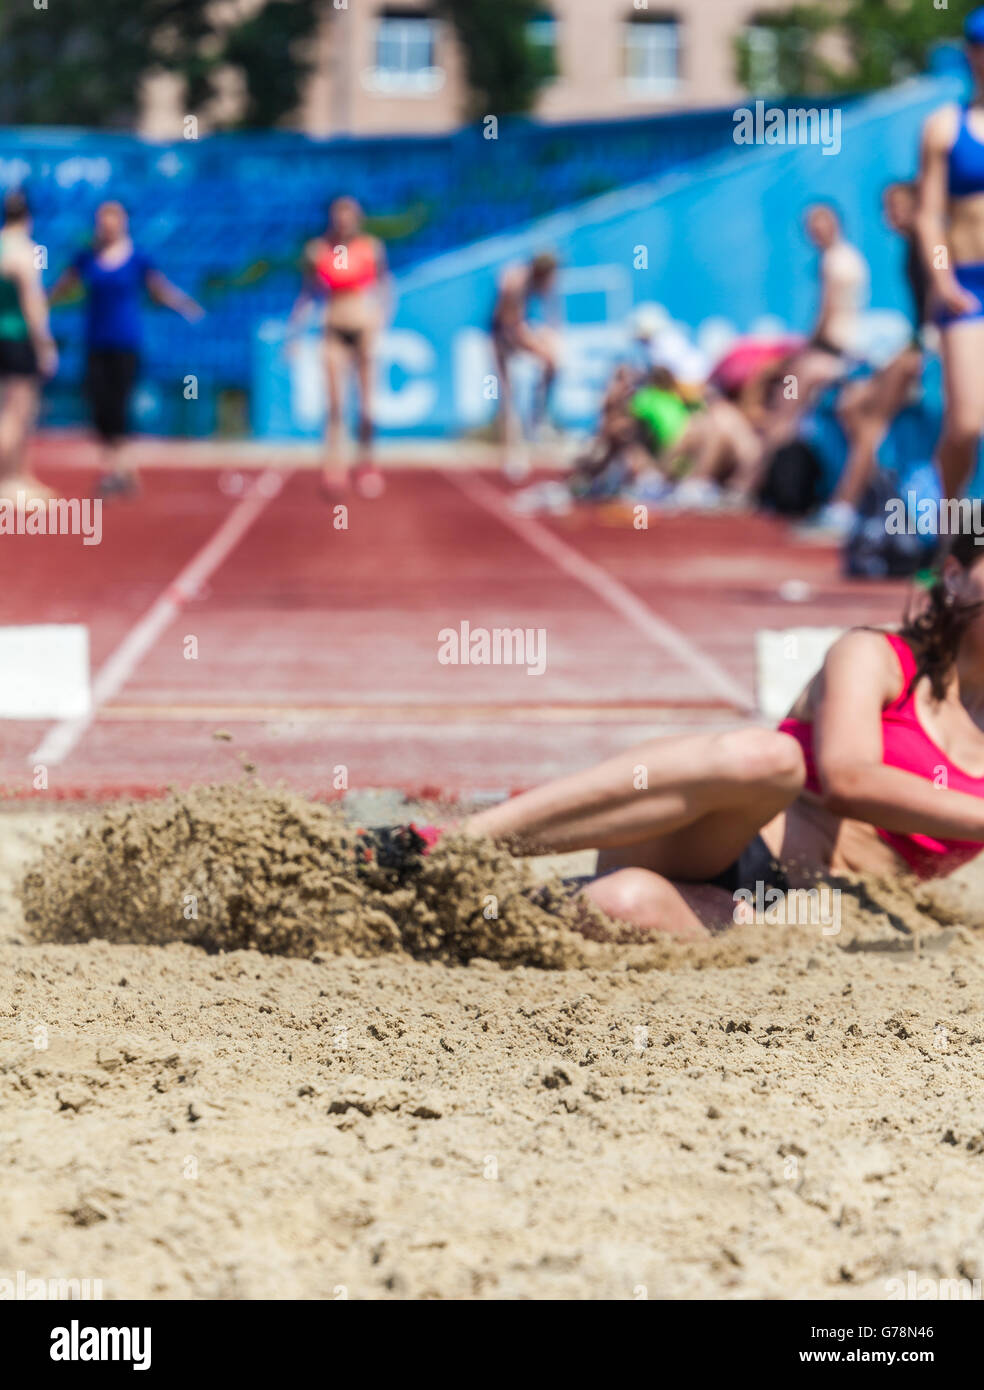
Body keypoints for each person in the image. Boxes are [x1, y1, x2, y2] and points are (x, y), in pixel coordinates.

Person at [451, 528, 984, 941]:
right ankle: (455, 847)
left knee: (618, 906)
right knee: (769, 757)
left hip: (794, 914)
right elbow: (849, 780)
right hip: (720, 841)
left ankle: (444, 915)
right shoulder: (877, 656)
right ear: (955, 577)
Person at [49, 201, 203, 496]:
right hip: (95, 342)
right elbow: (63, 285)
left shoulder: (137, 258)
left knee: (118, 405)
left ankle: (117, 469)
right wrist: (41, 304)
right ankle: (121, 468)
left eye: (112, 218)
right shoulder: (86, 257)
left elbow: (158, 288)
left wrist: (184, 304)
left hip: (125, 343)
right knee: (98, 405)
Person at [806, 181, 931, 538]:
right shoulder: (911, 249)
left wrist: (915, 352)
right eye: (886, 207)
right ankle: (877, 499)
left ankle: (846, 506)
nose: (889, 215)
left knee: (870, 412)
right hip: (920, 347)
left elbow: (940, 313)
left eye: (897, 206)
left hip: (933, 352)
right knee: (849, 404)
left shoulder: (931, 244)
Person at [915, 6, 984, 499]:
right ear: (969, 53)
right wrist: (942, 281)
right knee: (966, 425)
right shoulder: (944, 126)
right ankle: (951, 528)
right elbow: (928, 215)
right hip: (967, 287)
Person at [288, 196, 390, 499]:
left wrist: (381, 319)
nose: (344, 222)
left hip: (363, 330)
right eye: (339, 216)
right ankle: (335, 469)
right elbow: (307, 294)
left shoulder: (371, 247)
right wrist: (294, 334)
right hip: (333, 329)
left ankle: (367, 462)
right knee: (335, 407)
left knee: (367, 407)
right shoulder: (318, 250)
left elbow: (385, 285)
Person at [766, 204, 869, 452]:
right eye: (810, 225)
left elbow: (827, 314)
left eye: (819, 222)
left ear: (835, 223)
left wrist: (805, 350)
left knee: (787, 399)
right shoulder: (845, 257)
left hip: (832, 354)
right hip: (834, 352)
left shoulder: (834, 261)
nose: (815, 230)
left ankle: (764, 457)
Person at [0, 190, 57, 501]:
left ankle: (19, 476)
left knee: (11, 409)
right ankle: (7, 480)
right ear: (29, 218)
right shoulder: (24, 250)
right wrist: (45, 344)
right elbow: (32, 301)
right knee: (16, 411)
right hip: (17, 337)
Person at [490, 252, 562, 481]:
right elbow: (511, 325)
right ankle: (512, 454)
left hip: (518, 328)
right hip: (501, 334)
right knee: (507, 396)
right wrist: (536, 343)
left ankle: (538, 417)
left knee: (553, 361)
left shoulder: (544, 282)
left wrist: (550, 339)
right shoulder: (515, 283)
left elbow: (553, 315)